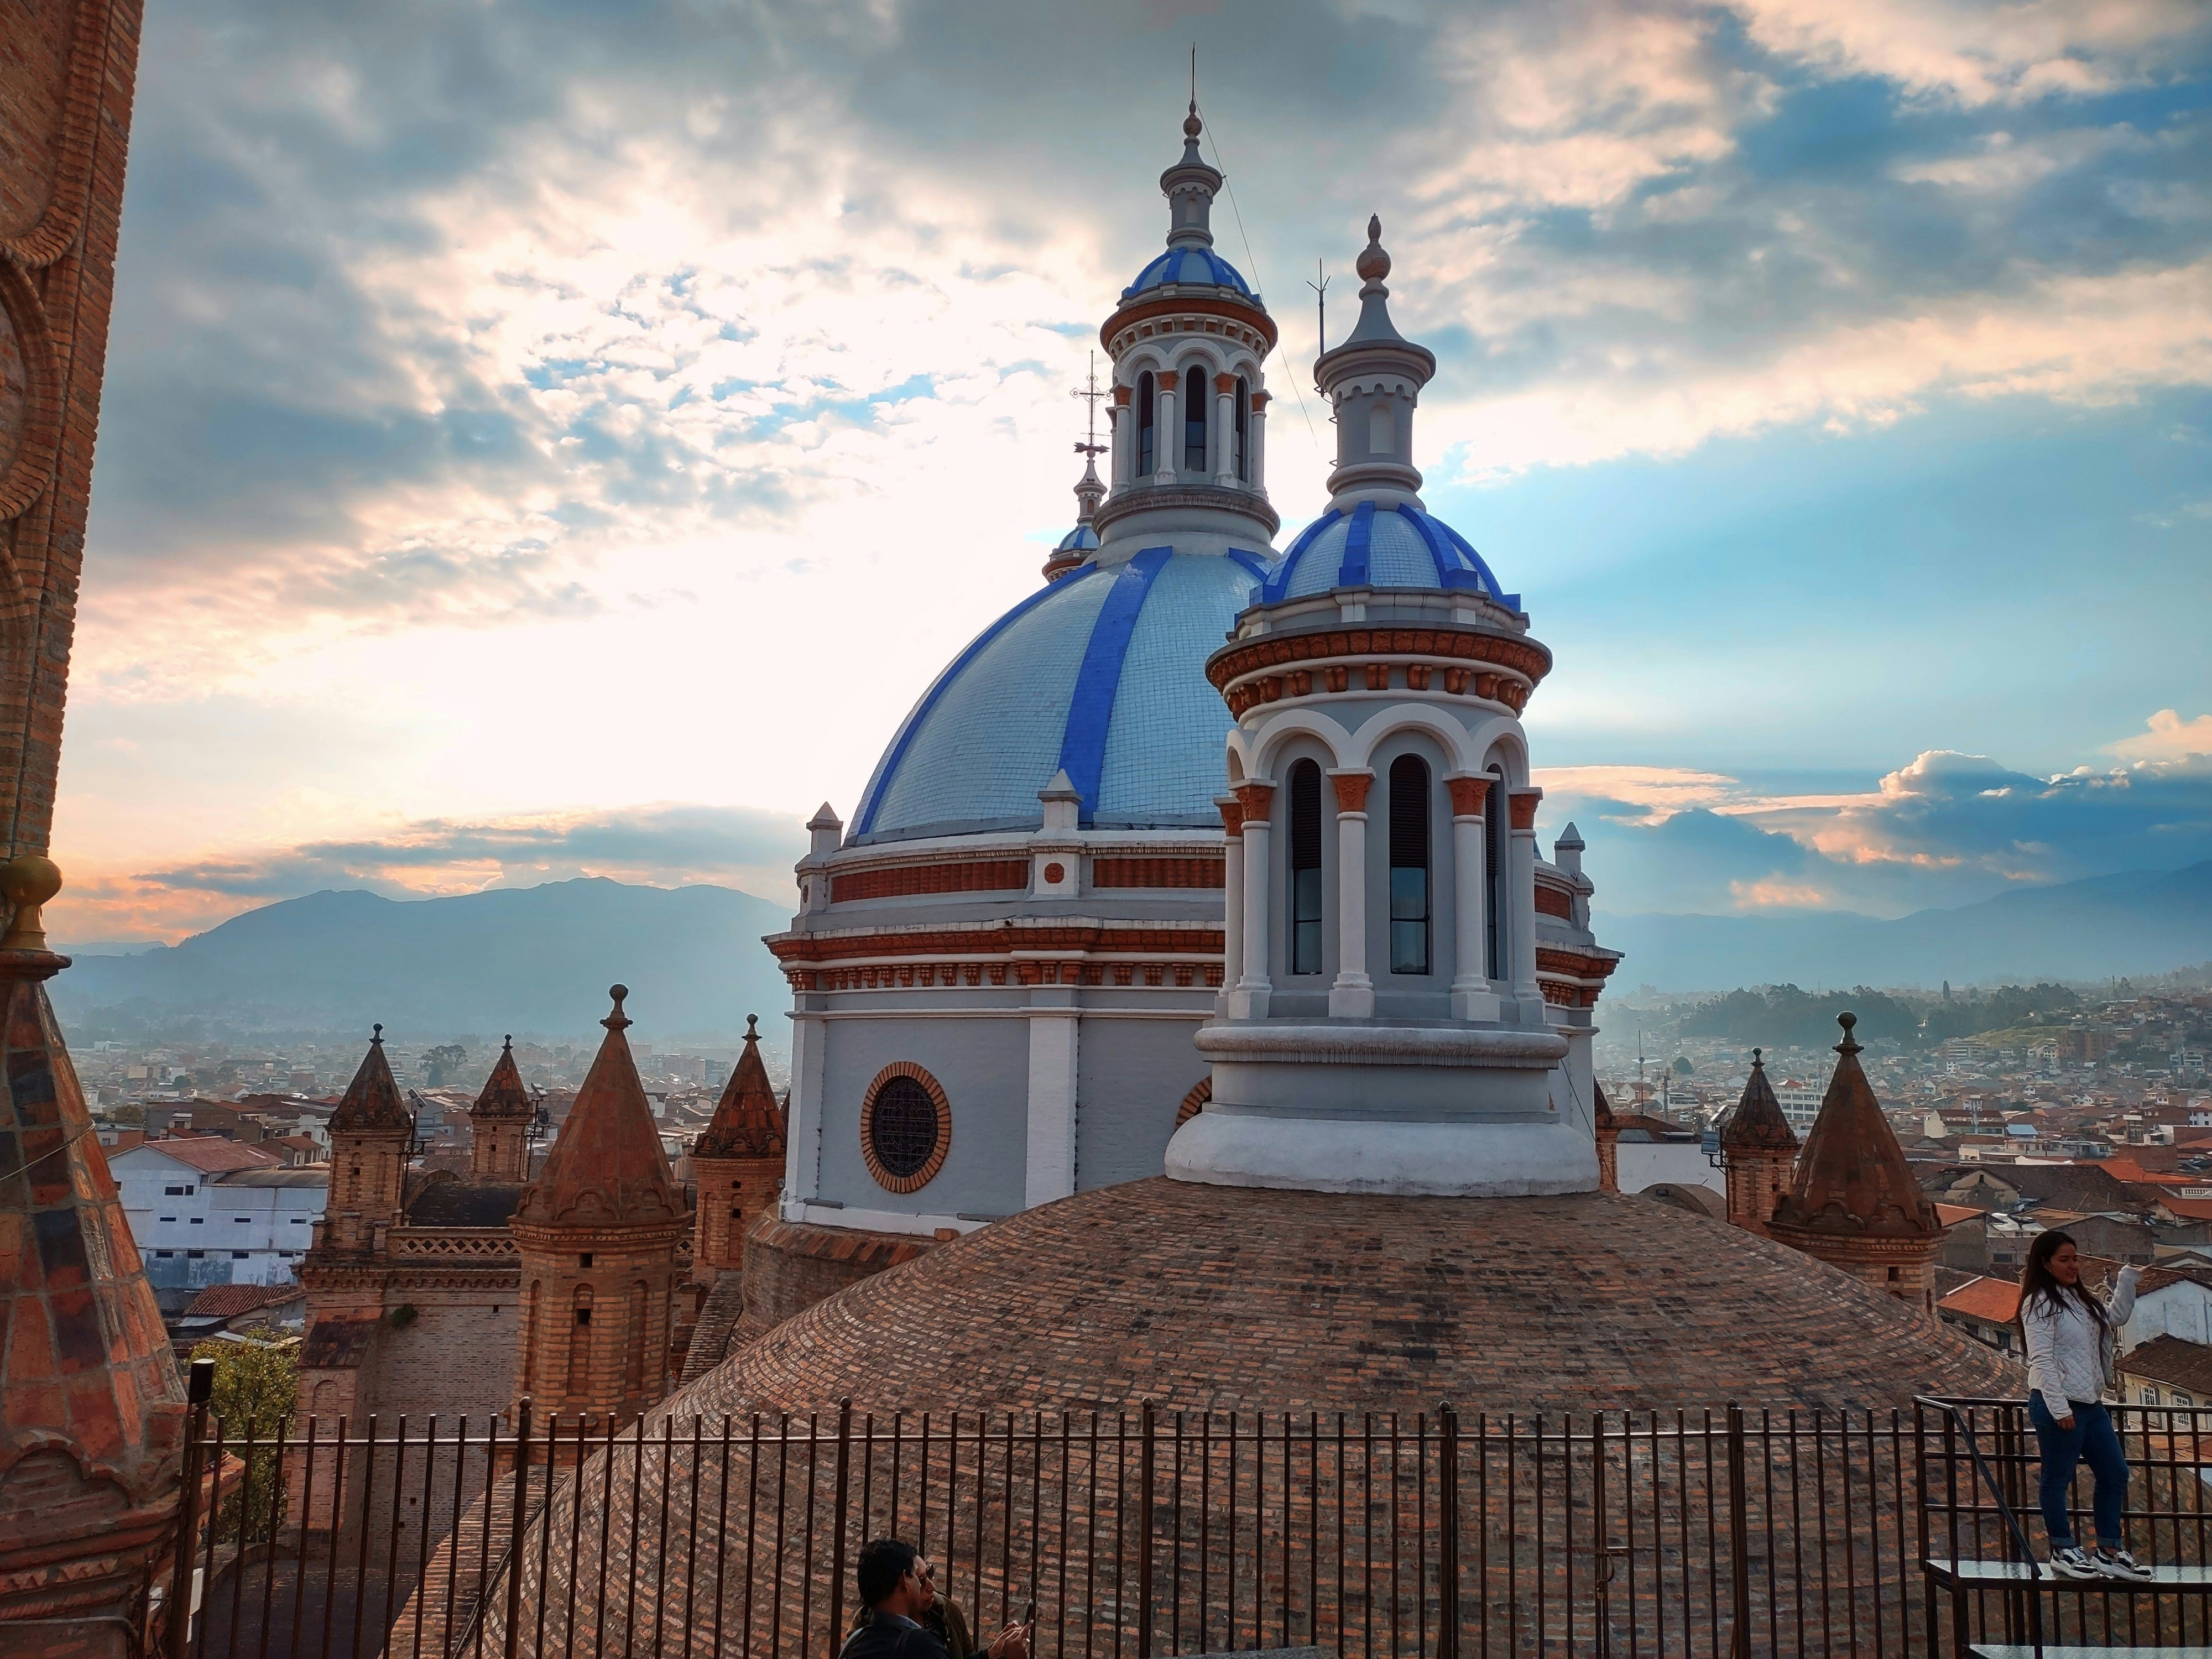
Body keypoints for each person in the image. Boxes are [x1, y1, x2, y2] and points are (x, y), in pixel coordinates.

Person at [2017, 1229, 2148, 1580]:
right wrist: (2060, 1409)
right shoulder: (2039, 1303)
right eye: (2064, 1259)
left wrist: (2128, 1278)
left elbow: (2115, 1319)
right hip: (2058, 1404)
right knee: (2057, 1478)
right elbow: (2041, 1359)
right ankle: (2062, 1548)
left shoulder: (2079, 1299)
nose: (2073, 1265)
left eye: (2075, 1258)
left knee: (2115, 1473)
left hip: (2091, 1402)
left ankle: (2108, 1550)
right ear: (2045, 1263)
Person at [841, 1539, 1029, 1659]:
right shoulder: (919, 1645)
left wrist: (992, 1654)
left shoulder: (855, 1643)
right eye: (920, 1578)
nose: (930, 1586)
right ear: (904, 1581)